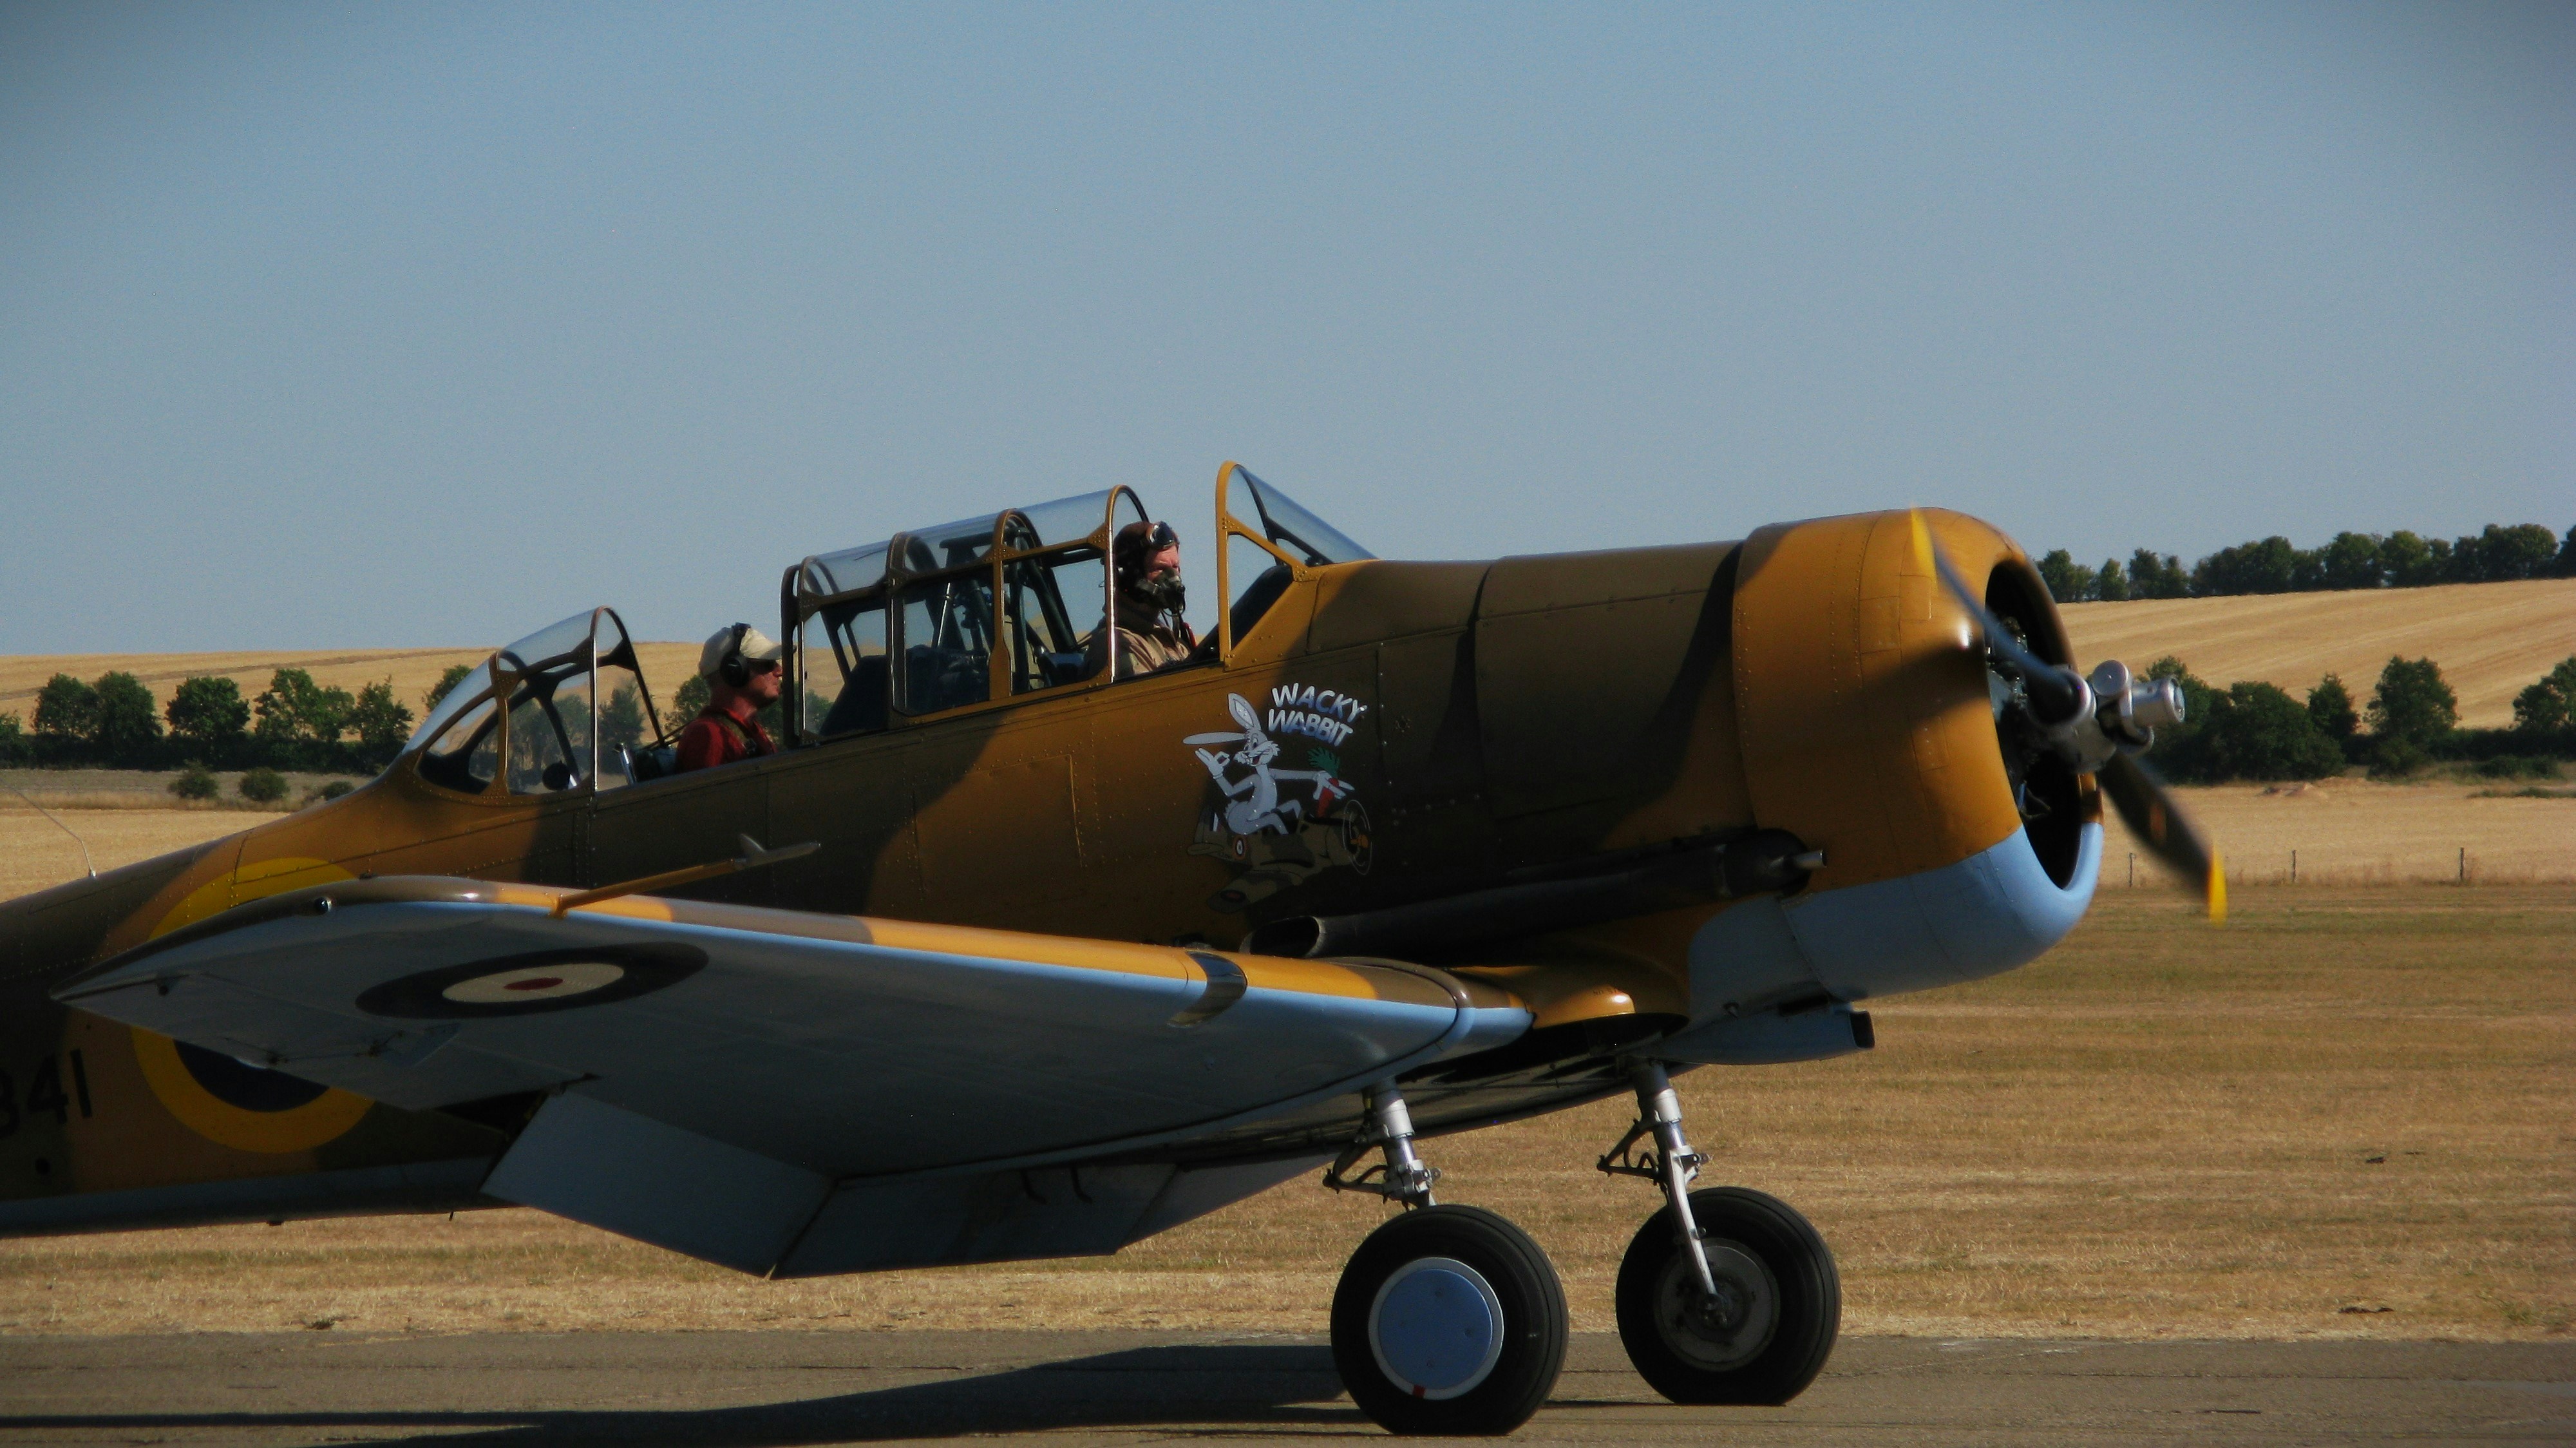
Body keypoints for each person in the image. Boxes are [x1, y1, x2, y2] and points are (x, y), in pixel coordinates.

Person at [1086, 519, 1199, 680]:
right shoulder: (1115, 644)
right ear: (1128, 576)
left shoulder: (1167, 638)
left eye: (1175, 567)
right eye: (1159, 568)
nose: (1173, 578)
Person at [674, 624, 784, 773]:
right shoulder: (709, 736)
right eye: (767, 664)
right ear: (735, 670)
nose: (779, 671)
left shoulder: (750, 731)